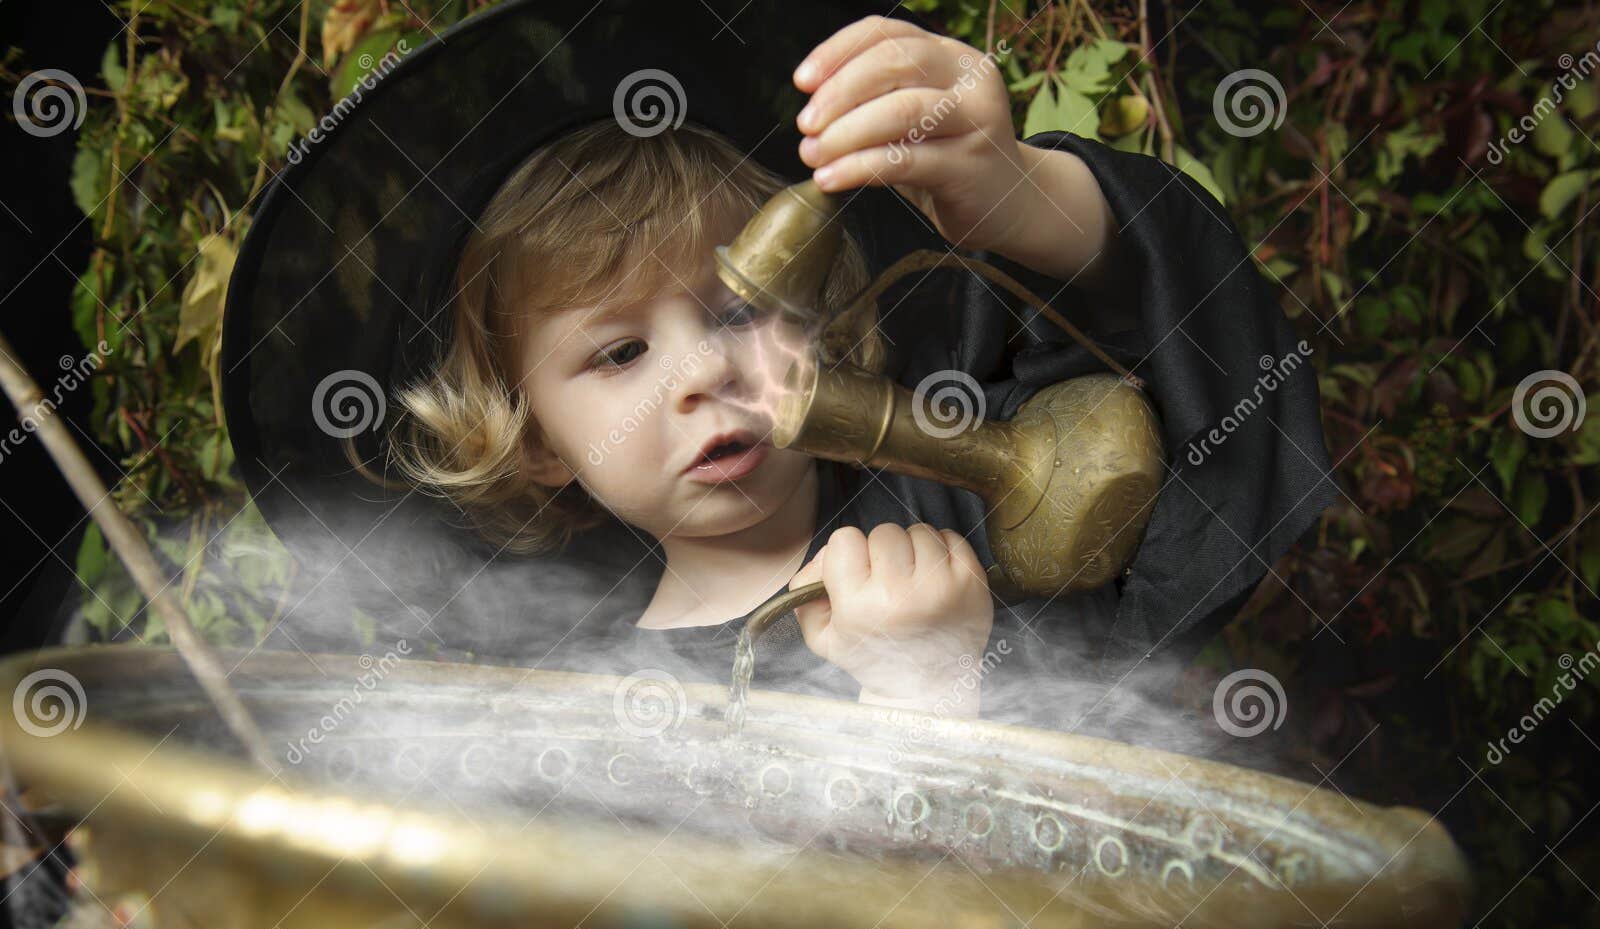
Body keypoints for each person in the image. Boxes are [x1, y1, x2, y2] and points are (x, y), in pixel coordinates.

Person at [222, 1, 1338, 733]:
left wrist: (1025, 200)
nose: (704, 371)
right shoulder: (553, 700)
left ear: (819, 319)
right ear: (534, 440)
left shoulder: (967, 514)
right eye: (619, 353)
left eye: (736, 308)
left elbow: (1216, 420)